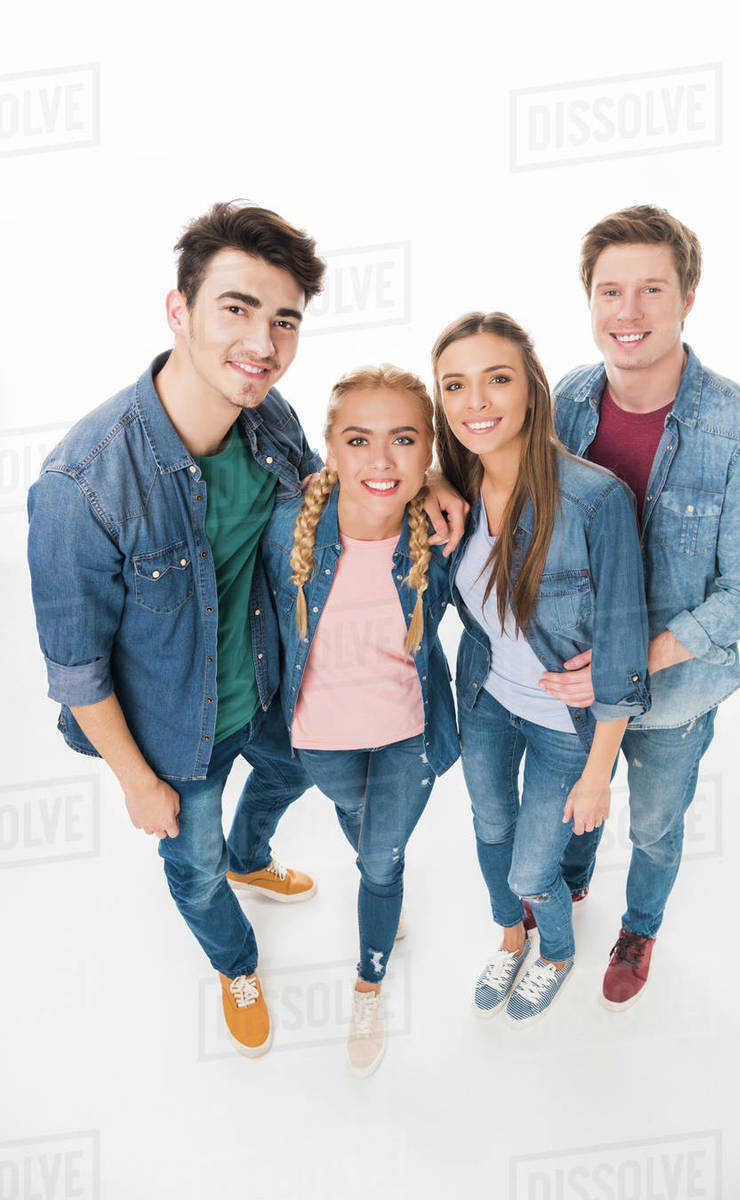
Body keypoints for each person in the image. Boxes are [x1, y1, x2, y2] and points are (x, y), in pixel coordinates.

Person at [26, 202, 467, 1058]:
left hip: (270, 689)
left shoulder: (268, 420)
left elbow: (333, 495)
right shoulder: (82, 484)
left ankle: (251, 853)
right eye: (237, 309)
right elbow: (75, 670)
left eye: (284, 320)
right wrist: (136, 783)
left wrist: (430, 478)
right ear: (178, 310)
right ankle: (236, 962)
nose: (263, 343)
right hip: (172, 741)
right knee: (192, 871)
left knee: (289, 773)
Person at [544, 205, 740, 1009]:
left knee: (653, 824)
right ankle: (569, 882)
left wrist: (633, 661)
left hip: (674, 695)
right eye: (610, 290)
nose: (628, 311)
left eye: (651, 289)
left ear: (687, 297)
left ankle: (638, 925)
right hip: (574, 678)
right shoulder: (567, 403)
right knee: (574, 800)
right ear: (588, 299)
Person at [432, 312, 651, 1026]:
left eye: (496, 379)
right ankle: (510, 937)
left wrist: (598, 775)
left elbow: (622, 651)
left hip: (565, 722)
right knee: (490, 827)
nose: (475, 401)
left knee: (531, 869)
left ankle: (554, 950)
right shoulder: (454, 492)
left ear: (531, 387)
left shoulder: (595, 499)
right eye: (454, 386)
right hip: (485, 700)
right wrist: (428, 476)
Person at [262, 365, 459, 1076]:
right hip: (320, 737)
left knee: (380, 861)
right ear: (330, 448)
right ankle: (381, 873)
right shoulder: (284, 530)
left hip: (409, 734)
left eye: (403, 440)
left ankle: (368, 985)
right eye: (358, 440)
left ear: (428, 451)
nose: (381, 461)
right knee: (355, 813)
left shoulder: (442, 536)